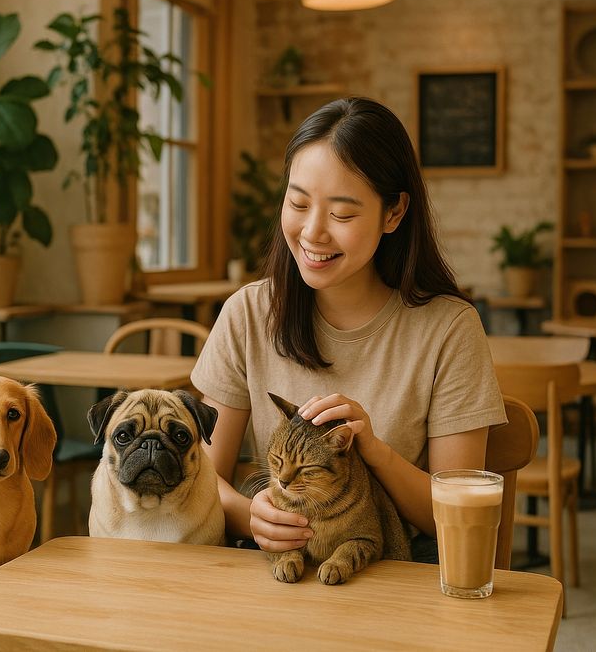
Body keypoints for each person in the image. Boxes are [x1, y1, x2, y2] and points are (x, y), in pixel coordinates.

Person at [191, 96, 506, 560]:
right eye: (298, 203)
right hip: (276, 578)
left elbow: (453, 518)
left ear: (394, 212)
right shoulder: (248, 314)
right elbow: (201, 476)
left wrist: (372, 449)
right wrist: (247, 515)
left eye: (342, 214)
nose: (312, 232)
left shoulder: (449, 330)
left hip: (393, 585)